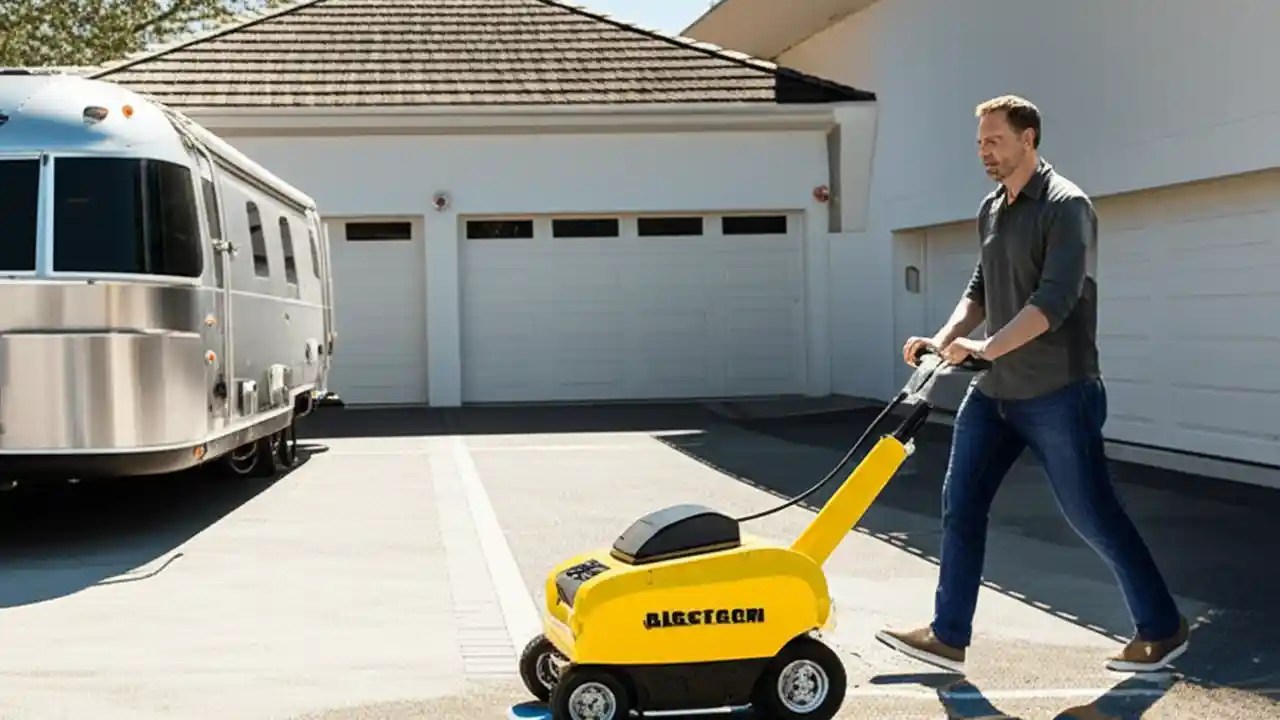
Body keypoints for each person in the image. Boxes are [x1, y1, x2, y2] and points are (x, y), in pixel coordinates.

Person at [875, 95, 1189, 674]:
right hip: (993, 394)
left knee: (1091, 513)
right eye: (979, 142)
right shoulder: (992, 207)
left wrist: (987, 347)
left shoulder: (1067, 207)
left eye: (994, 140)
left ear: (1029, 139)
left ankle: (1162, 627)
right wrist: (944, 340)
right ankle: (949, 635)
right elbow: (980, 287)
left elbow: (1055, 302)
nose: (984, 152)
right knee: (960, 505)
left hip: (1058, 394)